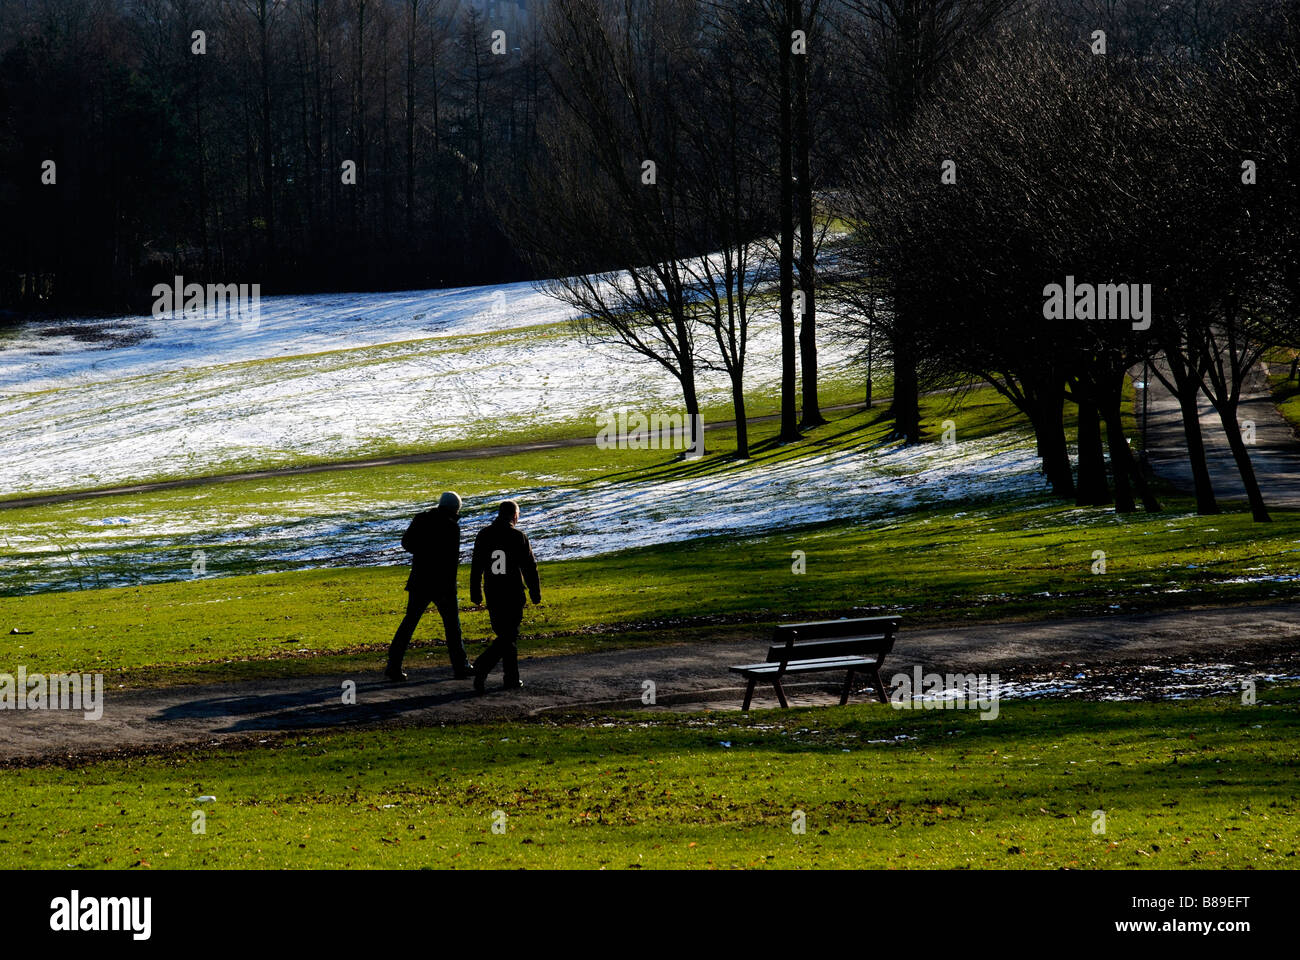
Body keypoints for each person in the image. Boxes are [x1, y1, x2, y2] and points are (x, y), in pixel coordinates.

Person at [384, 491, 473, 682]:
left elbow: (406, 543)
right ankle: (460, 666)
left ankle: (393, 665)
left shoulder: (421, 519)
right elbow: (451, 561)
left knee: (409, 624)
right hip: (442, 584)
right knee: (452, 628)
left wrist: (423, 551)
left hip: (420, 580)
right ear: (455, 509)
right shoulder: (451, 527)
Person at [469, 499, 541, 693]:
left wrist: (474, 591)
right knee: (509, 635)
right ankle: (484, 666)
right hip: (512, 591)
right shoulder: (518, 536)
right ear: (514, 515)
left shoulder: (484, 535)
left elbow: (477, 566)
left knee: (505, 636)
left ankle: (511, 677)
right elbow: (529, 567)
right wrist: (535, 591)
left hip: (493, 591)